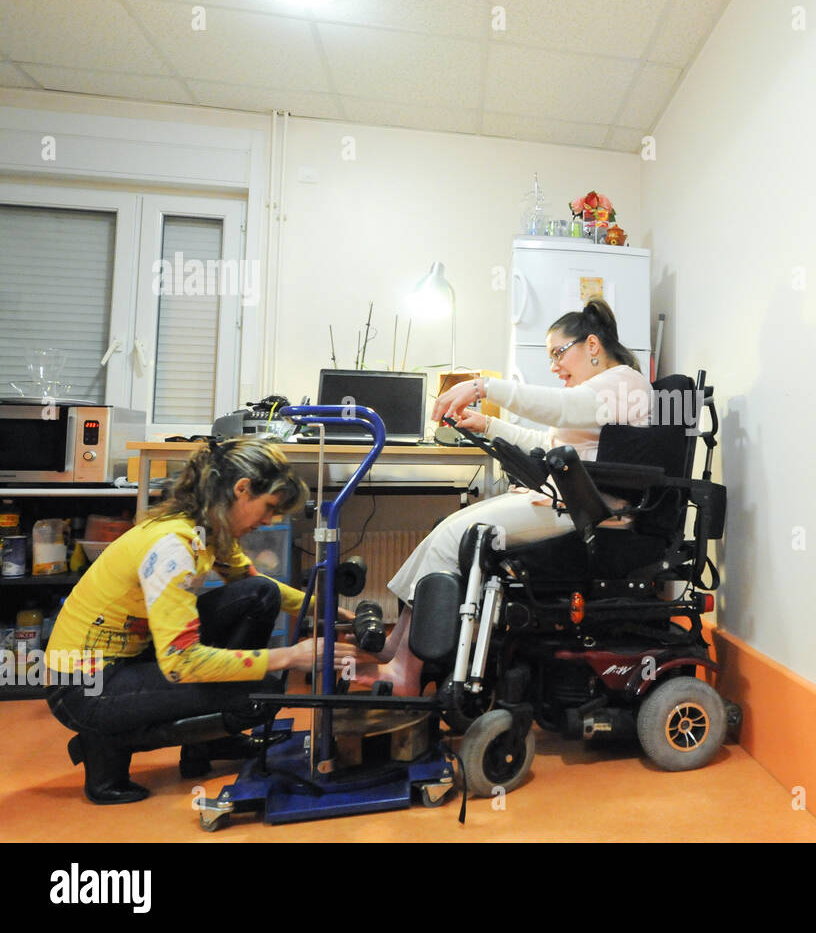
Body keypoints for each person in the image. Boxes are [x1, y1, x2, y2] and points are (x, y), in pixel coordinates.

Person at [361, 298, 651, 695]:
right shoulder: (598, 389)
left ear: (593, 346)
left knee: (459, 538)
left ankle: (405, 673)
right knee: (446, 530)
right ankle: (398, 649)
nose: (554, 366)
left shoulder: (625, 383)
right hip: (569, 500)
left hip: (591, 510)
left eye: (558, 353)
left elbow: (562, 410)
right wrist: (489, 424)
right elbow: (548, 438)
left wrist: (483, 386)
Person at [45, 439, 357, 804]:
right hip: (85, 689)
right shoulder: (173, 547)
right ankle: (102, 741)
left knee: (258, 594)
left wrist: (321, 608)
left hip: (131, 660)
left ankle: (210, 746)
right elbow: (182, 663)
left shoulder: (207, 529)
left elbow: (253, 585)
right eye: (269, 507)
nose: (268, 521)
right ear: (242, 490)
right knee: (259, 695)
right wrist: (289, 656)